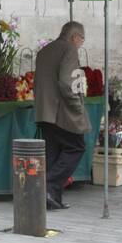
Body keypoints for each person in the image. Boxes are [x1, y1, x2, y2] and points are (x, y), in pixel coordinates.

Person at [34, 21, 92, 210]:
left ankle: (52, 198)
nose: (81, 44)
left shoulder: (46, 50)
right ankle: (48, 187)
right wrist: (77, 107)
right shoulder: (69, 49)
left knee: (53, 153)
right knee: (76, 147)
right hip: (61, 112)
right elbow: (67, 83)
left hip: (44, 111)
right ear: (75, 36)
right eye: (81, 40)